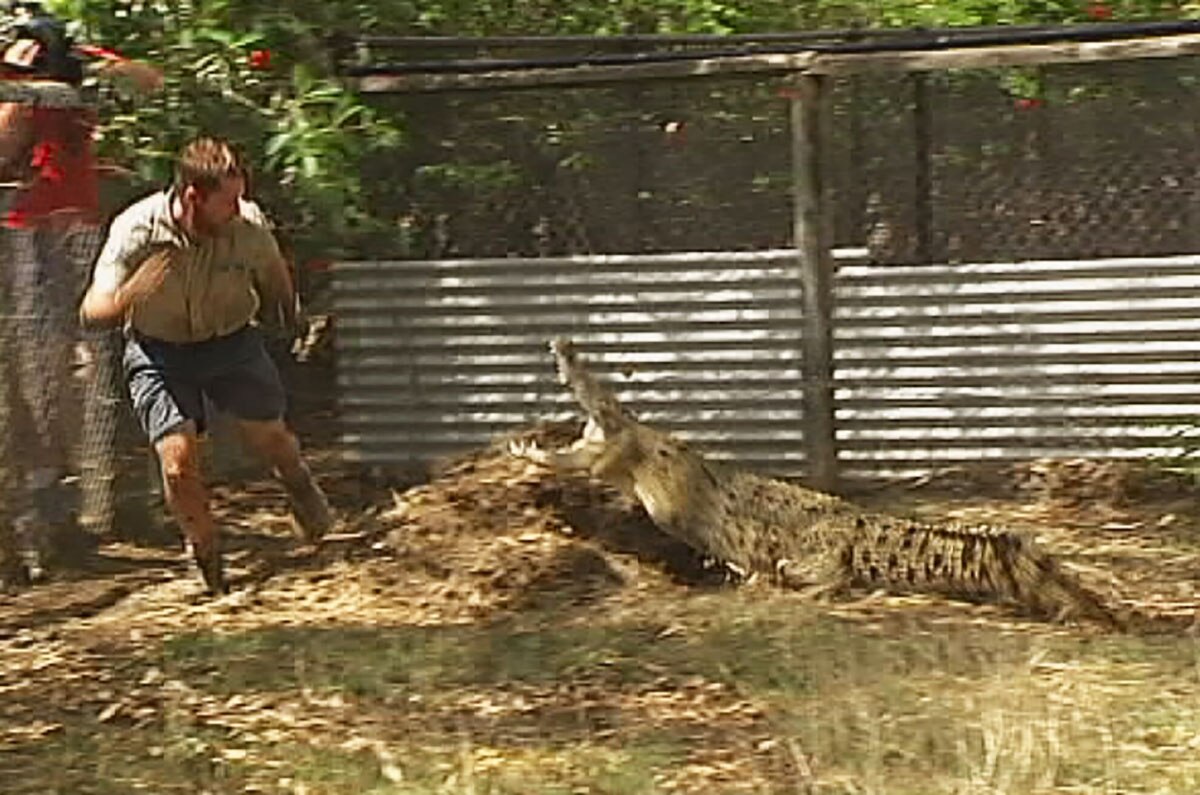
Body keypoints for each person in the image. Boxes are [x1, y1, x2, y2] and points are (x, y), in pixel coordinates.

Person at [79, 136, 334, 595]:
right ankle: (208, 558)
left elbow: (275, 277)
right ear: (193, 197)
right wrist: (128, 295)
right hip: (160, 352)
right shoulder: (136, 230)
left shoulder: (249, 226)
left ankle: (300, 488)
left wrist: (292, 317)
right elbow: (91, 310)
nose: (238, 209)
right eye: (229, 201)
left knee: (270, 438)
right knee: (177, 463)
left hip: (231, 342)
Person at [0, 1, 162, 579]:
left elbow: (149, 79)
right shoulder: (13, 76)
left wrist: (85, 71)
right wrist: (28, 83)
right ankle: (45, 516)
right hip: (28, 228)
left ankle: (98, 500)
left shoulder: (73, 59)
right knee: (39, 371)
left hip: (79, 222)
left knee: (91, 362)